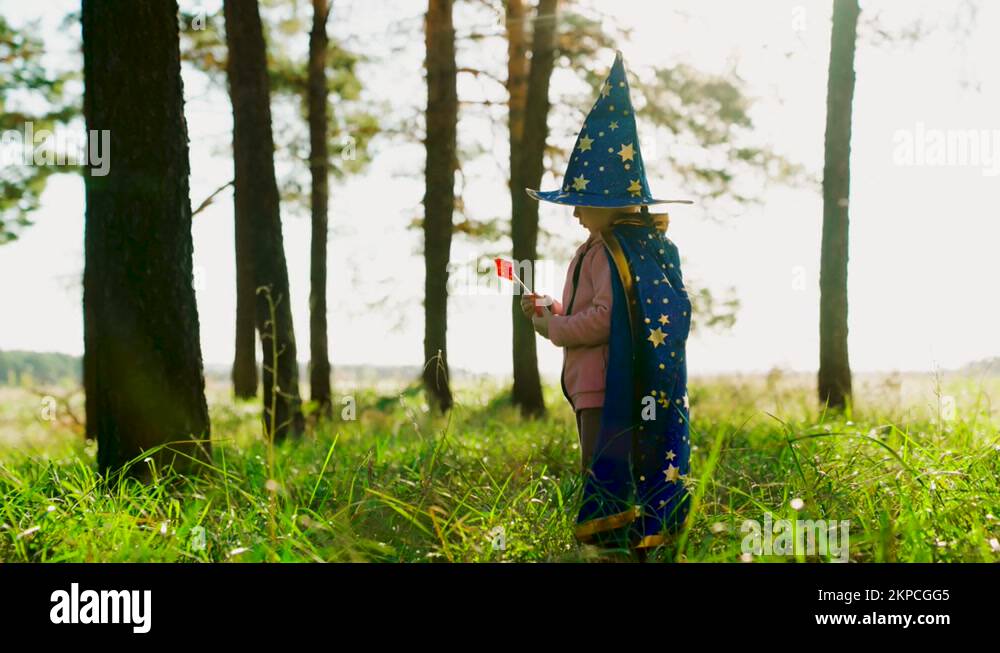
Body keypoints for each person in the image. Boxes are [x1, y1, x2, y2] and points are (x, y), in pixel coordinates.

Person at [519, 50, 695, 562]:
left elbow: (604, 320)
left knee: (606, 474)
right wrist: (551, 310)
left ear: (610, 201)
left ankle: (615, 553)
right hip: (594, 385)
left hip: (604, 388)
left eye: (581, 200)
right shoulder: (605, 249)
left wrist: (555, 328)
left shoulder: (614, 250)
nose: (574, 211)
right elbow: (593, 310)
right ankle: (619, 549)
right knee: (605, 472)